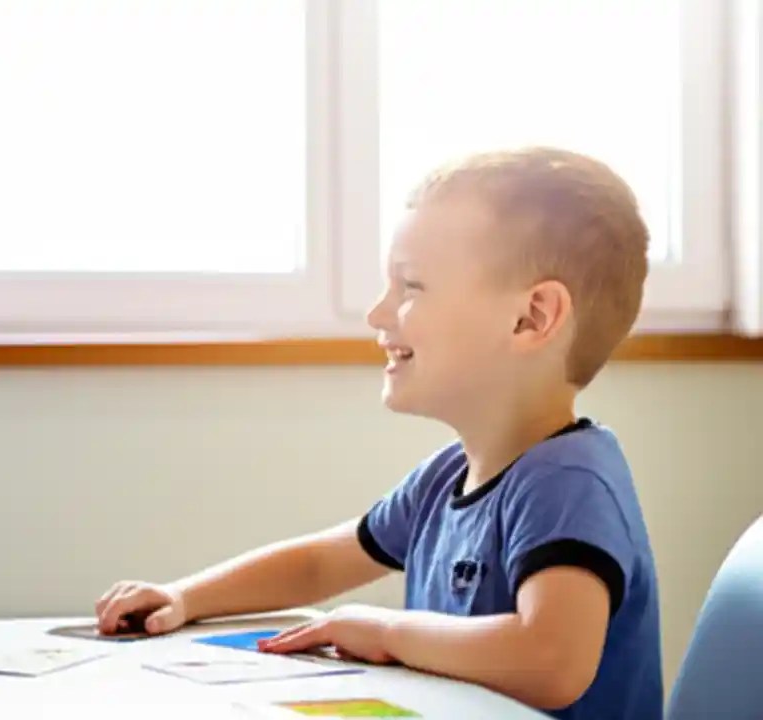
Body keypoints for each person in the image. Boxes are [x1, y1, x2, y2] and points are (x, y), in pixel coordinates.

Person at [95, 148, 662, 719]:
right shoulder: (445, 479)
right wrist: (186, 596)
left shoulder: (568, 482)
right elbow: (318, 565)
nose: (376, 313)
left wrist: (387, 631)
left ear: (531, 318)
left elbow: (553, 661)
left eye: (411, 286)